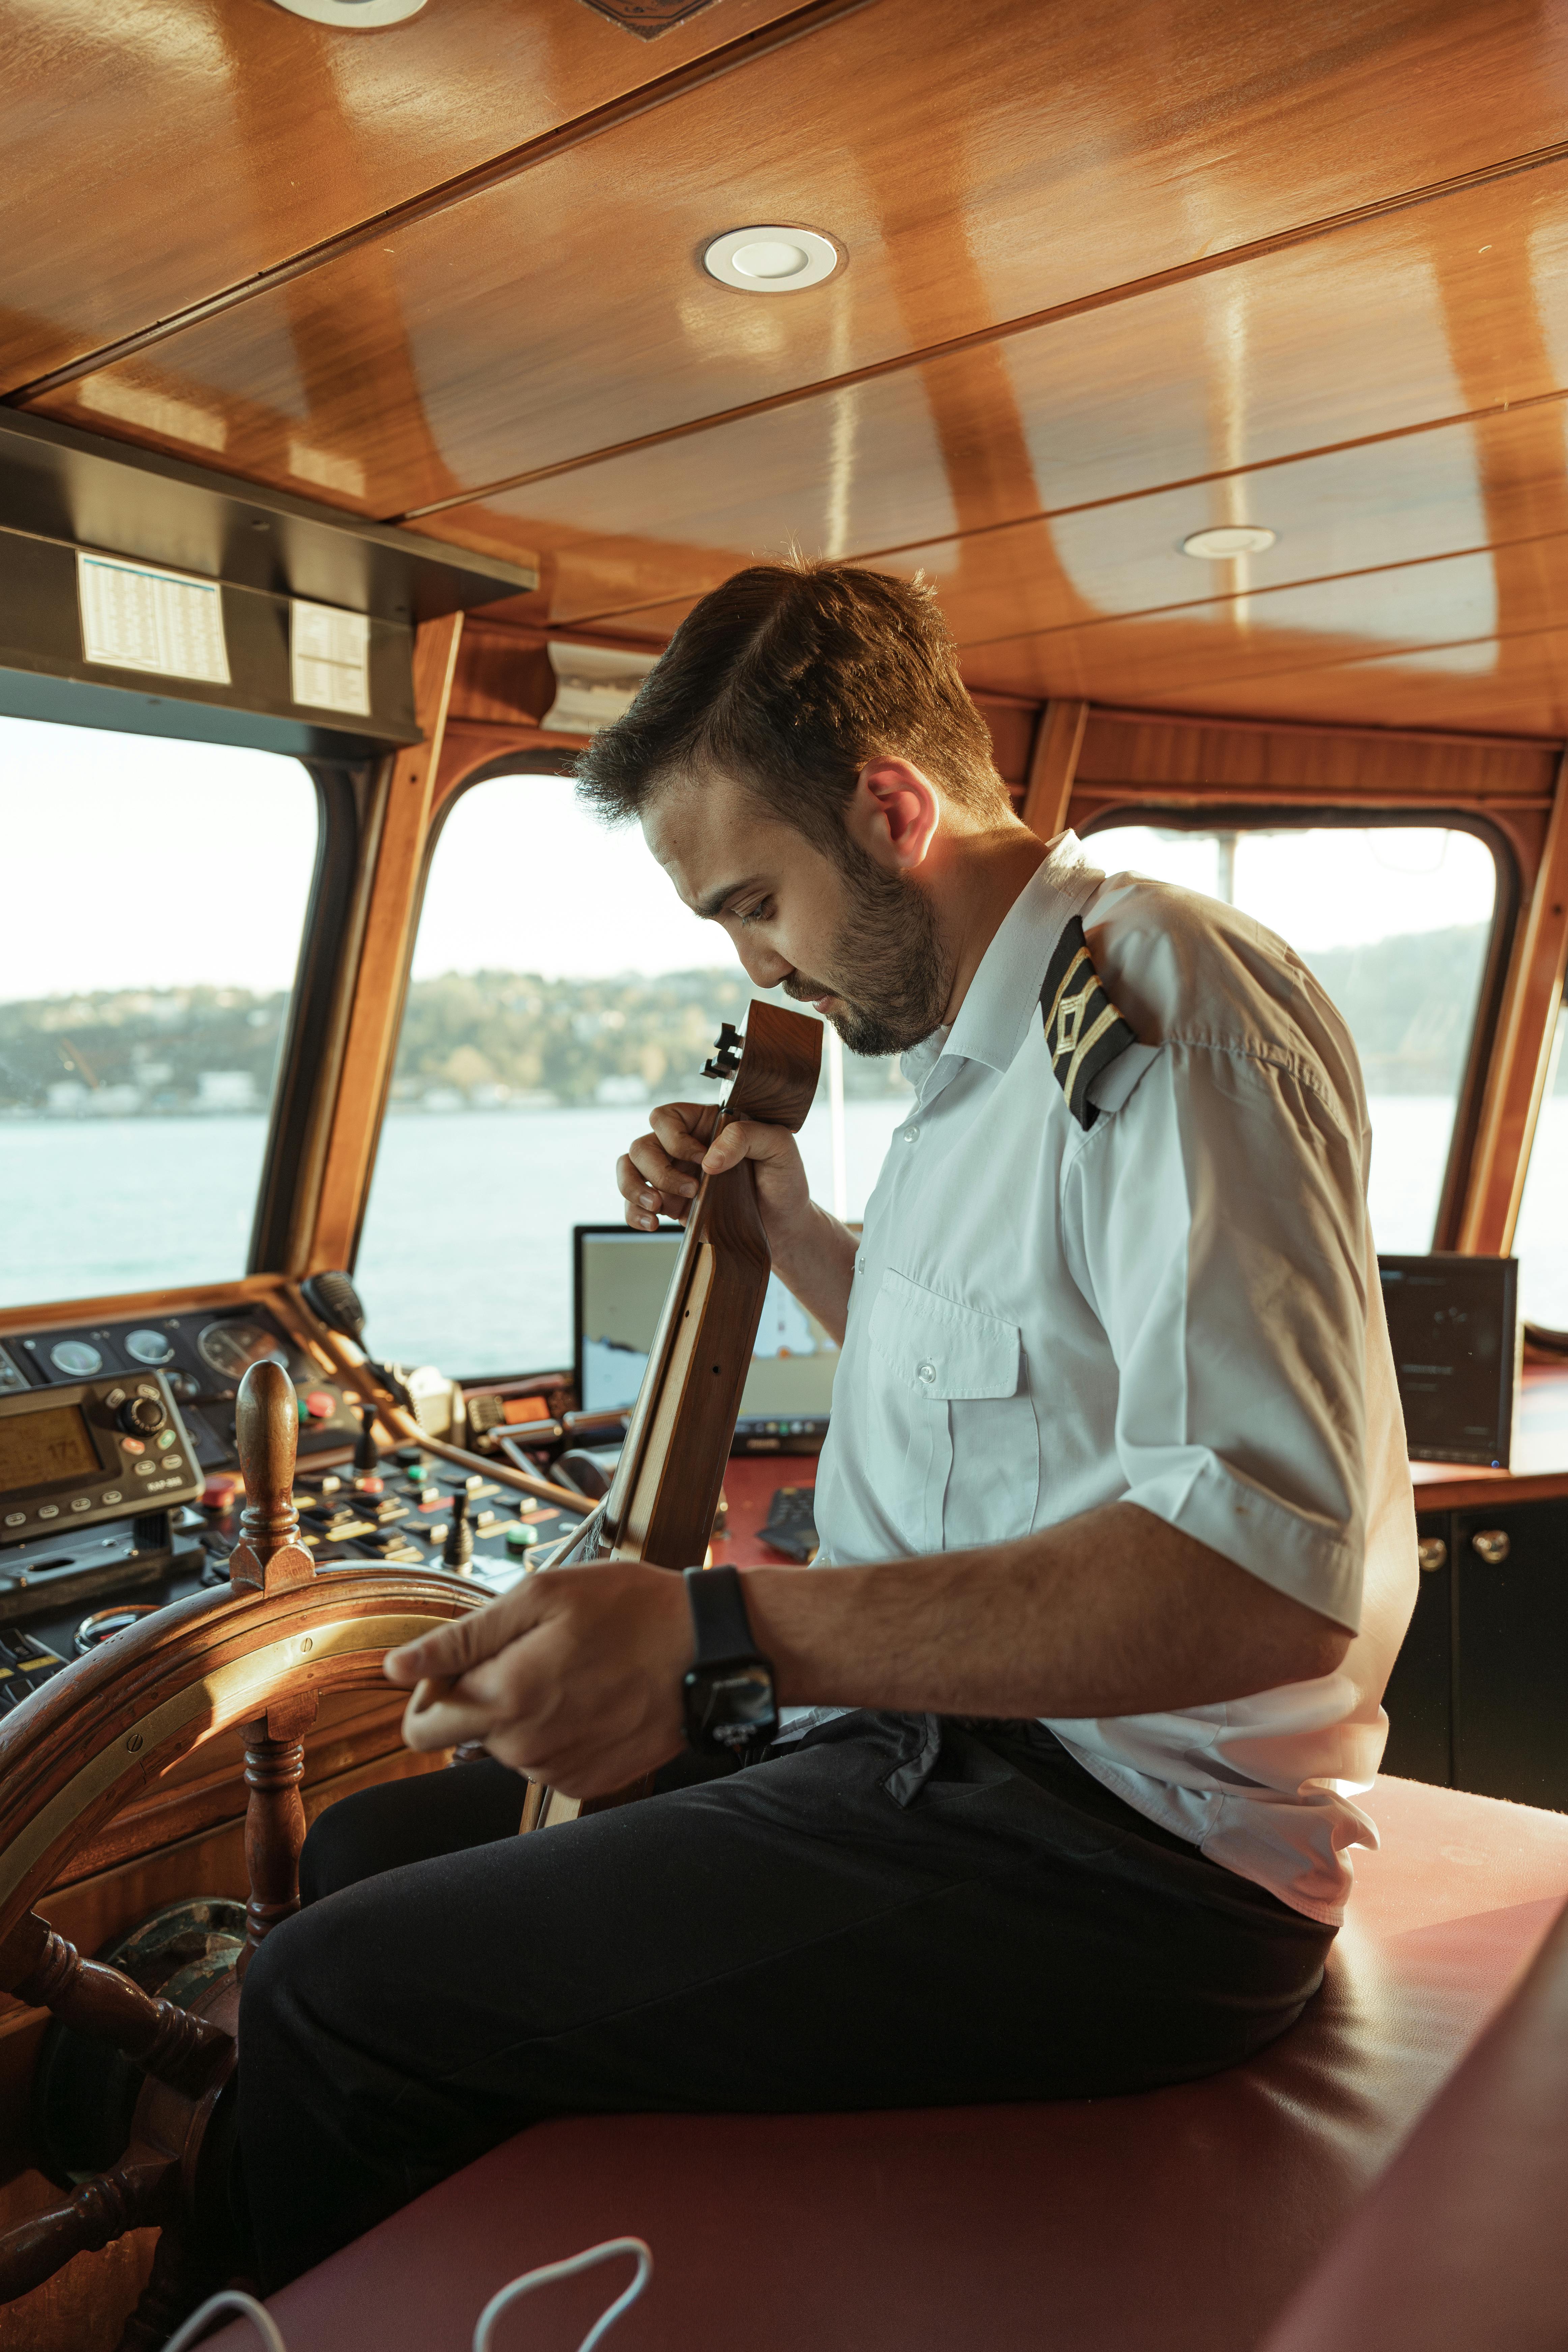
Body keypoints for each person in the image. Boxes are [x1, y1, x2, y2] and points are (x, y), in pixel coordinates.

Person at [237, 559, 1418, 2289]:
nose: (753, 962)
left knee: (323, 1994)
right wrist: (785, 1232)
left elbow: (1262, 1579)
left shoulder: (1155, 1000)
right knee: (354, 1857)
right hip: (927, 1740)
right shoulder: (966, 1050)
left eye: (751, 902)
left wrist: (718, 1631)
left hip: (1126, 1855)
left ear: (887, 805)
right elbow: (1011, 1398)